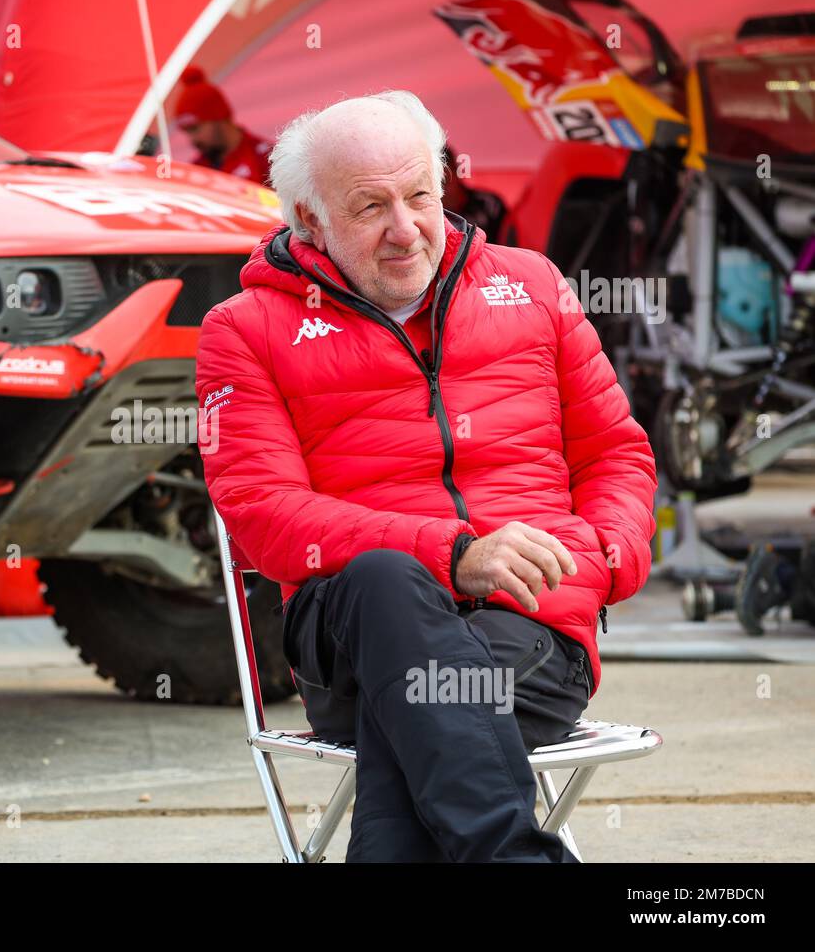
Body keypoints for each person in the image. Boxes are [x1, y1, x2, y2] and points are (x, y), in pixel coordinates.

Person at [194, 91, 658, 862]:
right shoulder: (243, 331)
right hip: (350, 635)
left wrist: (604, 558)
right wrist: (452, 553)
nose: (406, 230)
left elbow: (617, 453)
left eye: (419, 196)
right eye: (370, 207)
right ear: (310, 221)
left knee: (417, 712)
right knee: (384, 583)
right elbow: (264, 516)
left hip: (530, 626)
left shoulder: (534, 285)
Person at [173, 66, 271, 184]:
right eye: (187, 132)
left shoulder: (266, 158)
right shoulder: (195, 171)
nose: (193, 140)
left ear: (218, 117)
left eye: (195, 128)